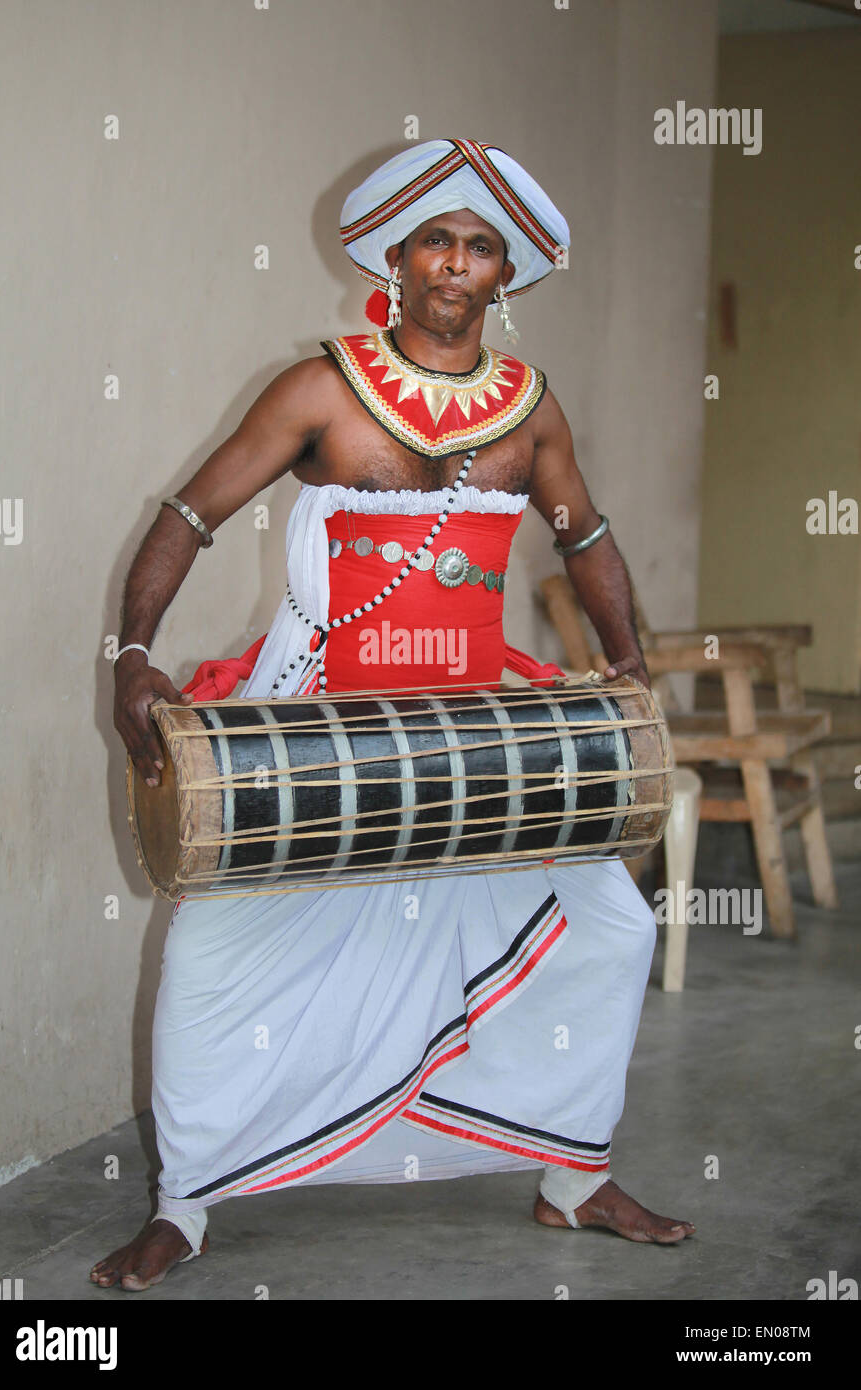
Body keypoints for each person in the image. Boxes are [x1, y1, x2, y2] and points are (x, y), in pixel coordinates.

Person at [92, 139, 694, 1293]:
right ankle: (186, 1204)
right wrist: (132, 657)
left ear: (500, 274)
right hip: (311, 716)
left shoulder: (531, 412)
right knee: (214, 951)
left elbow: (585, 534)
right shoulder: (319, 388)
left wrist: (628, 663)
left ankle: (573, 1173)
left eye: (479, 248)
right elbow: (187, 511)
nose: (456, 266)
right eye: (437, 242)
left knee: (611, 928)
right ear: (396, 259)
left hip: (475, 730)